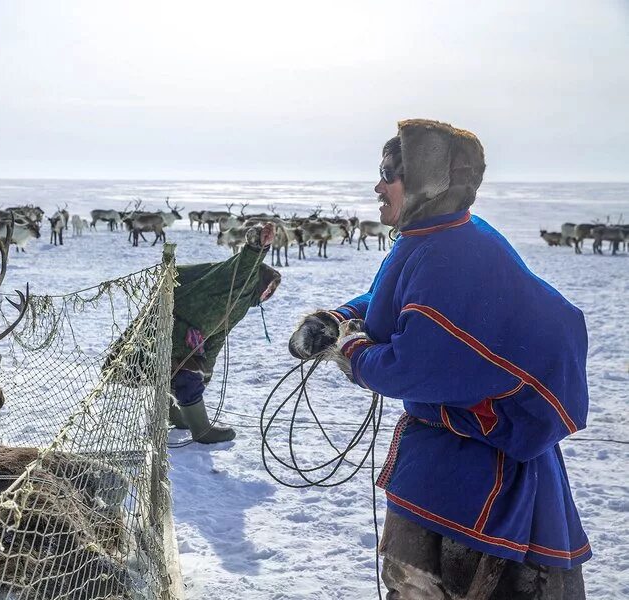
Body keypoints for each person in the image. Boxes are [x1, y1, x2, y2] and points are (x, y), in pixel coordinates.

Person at [288, 120, 589, 598]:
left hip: (476, 482)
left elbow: (414, 365)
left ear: (427, 182)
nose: (378, 185)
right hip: (444, 459)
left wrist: (351, 350)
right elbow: (392, 297)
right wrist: (340, 315)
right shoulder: (435, 235)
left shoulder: (451, 254)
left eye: (390, 173)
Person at [171, 222, 281, 443]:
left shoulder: (239, 305)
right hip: (178, 325)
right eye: (268, 287)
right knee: (184, 373)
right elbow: (246, 265)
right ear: (257, 281)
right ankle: (201, 431)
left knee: (182, 372)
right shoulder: (239, 282)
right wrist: (259, 245)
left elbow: (217, 337)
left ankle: (178, 415)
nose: (267, 293)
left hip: (192, 335)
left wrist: (207, 371)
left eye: (272, 291)